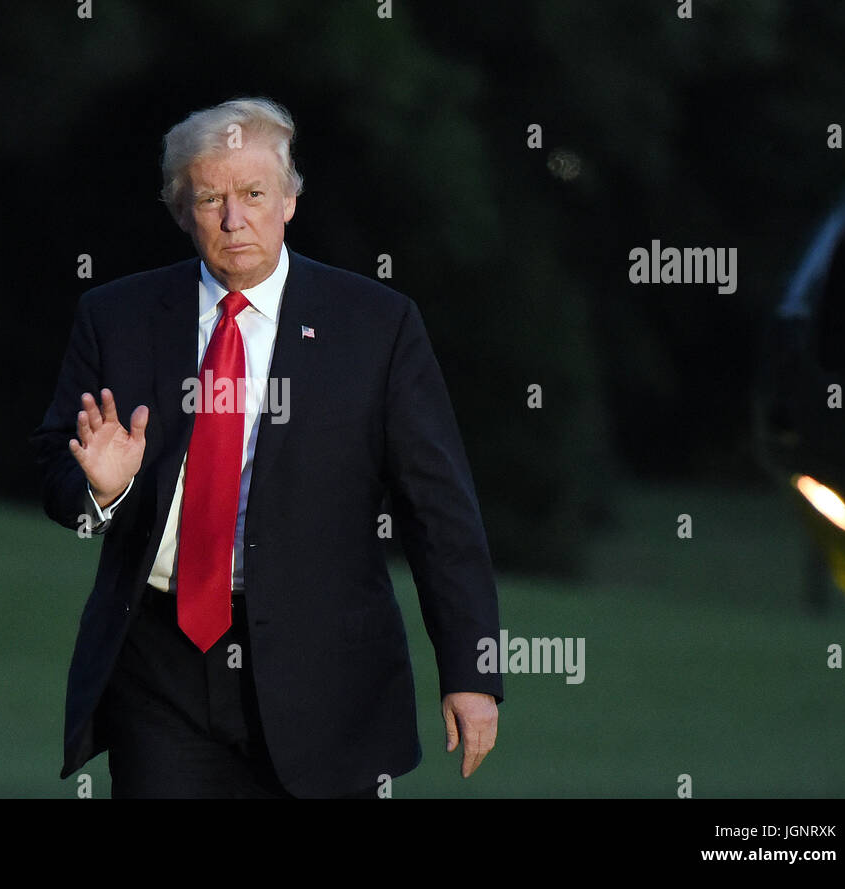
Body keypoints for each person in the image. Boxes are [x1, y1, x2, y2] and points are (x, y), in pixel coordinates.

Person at [30, 97, 503, 798]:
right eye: (210, 197)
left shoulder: (376, 326)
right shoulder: (116, 317)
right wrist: (102, 489)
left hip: (326, 673)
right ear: (181, 209)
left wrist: (470, 672)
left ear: (289, 199)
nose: (233, 217)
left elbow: (440, 512)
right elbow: (53, 471)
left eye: (253, 193)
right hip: (161, 666)